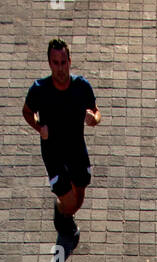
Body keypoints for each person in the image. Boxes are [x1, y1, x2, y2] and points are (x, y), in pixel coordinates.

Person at [22, 39, 101, 243]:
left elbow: (96, 112)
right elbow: (27, 112)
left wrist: (94, 119)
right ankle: (61, 215)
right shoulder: (39, 89)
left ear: (69, 61)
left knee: (78, 198)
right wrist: (40, 128)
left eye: (63, 62)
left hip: (76, 149)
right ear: (49, 64)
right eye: (55, 63)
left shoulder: (81, 86)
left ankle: (65, 212)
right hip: (53, 152)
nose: (60, 68)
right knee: (68, 203)